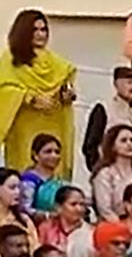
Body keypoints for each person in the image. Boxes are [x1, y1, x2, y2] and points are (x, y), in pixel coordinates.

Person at [0, 10, 77, 176]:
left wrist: (67, 95)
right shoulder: (11, 60)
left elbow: (67, 86)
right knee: (25, 173)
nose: (40, 34)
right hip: (24, 126)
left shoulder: (58, 63)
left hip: (53, 124)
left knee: (54, 168)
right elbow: (4, 89)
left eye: (44, 30)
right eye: (35, 30)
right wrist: (28, 98)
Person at [83, 66, 132, 176]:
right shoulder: (104, 109)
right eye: (129, 82)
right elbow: (90, 146)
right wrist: (99, 172)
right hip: (110, 177)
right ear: (116, 84)